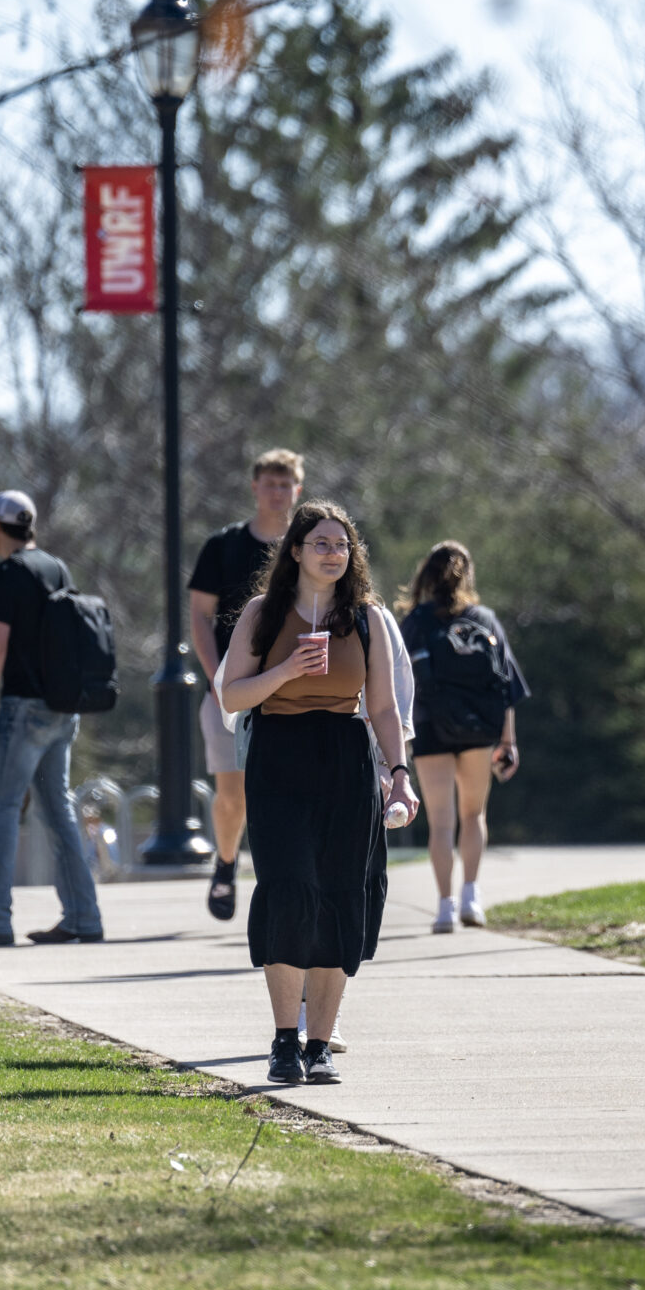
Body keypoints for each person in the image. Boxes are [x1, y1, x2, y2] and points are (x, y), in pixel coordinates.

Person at [217, 502, 418, 1086]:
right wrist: (285, 672)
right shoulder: (264, 612)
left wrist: (399, 775)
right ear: (296, 552)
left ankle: (320, 1043)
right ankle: (284, 1040)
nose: (334, 553)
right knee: (288, 889)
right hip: (279, 754)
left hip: (345, 757)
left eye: (343, 545)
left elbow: (382, 707)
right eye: (322, 543)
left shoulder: (367, 620)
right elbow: (232, 698)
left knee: (338, 894)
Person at [0, 490, 103, 947]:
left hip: (23, 709)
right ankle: (84, 916)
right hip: (61, 709)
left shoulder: (7, 574)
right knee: (59, 813)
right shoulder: (55, 568)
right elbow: (17, 648)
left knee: (1, 812)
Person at [189, 448, 304, 920]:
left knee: (291, 790)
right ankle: (227, 862)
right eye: (270, 483)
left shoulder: (308, 544)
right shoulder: (225, 545)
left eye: (286, 484)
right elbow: (199, 613)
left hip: (295, 687)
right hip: (232, 690)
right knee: (232, 793)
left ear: (298, 488)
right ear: (255, 487)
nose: (278, 492)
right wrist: (218, 676)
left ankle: (286, 880)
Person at [399, 541, 529, 933]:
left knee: (441, 823)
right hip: (479, 730)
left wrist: (399, 743)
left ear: (426, 574)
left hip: (430, 728)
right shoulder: (485, 619)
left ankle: (444, 906)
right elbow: (506, 686)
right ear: (466, 574)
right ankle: (472, 895)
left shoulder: (416, 622)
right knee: (473, 814)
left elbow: (398, 685)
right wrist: (508, 741)